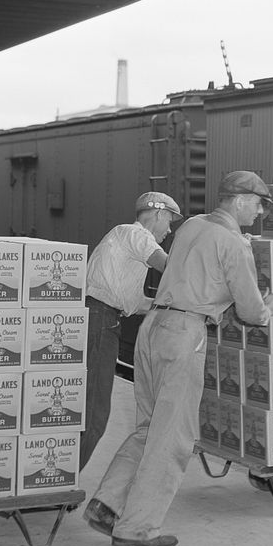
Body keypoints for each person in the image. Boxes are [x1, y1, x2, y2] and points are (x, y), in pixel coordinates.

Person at [84, 170, 273, 546]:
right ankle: (137, 527)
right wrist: (269, 309)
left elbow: (196, 261)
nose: (260, 213)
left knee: (149, 426)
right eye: (259, 205)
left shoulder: (194, 226)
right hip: (184, 334)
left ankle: (106, 503)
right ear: (241, 200)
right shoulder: (234, 244)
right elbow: (249, 310)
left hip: (151, 328)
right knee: (174, 437)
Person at [79, 191, 181, 470]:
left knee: (91, 409)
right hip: (100, 323)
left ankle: (60, 477)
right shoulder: (134, 234)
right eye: (169, 221)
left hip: (102, 319)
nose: (169, 230)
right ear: (158, 214)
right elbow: (169, 267)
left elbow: (135, 303)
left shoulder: (126, 249)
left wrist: (177, 308)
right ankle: (59, 482)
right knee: (94, 413)